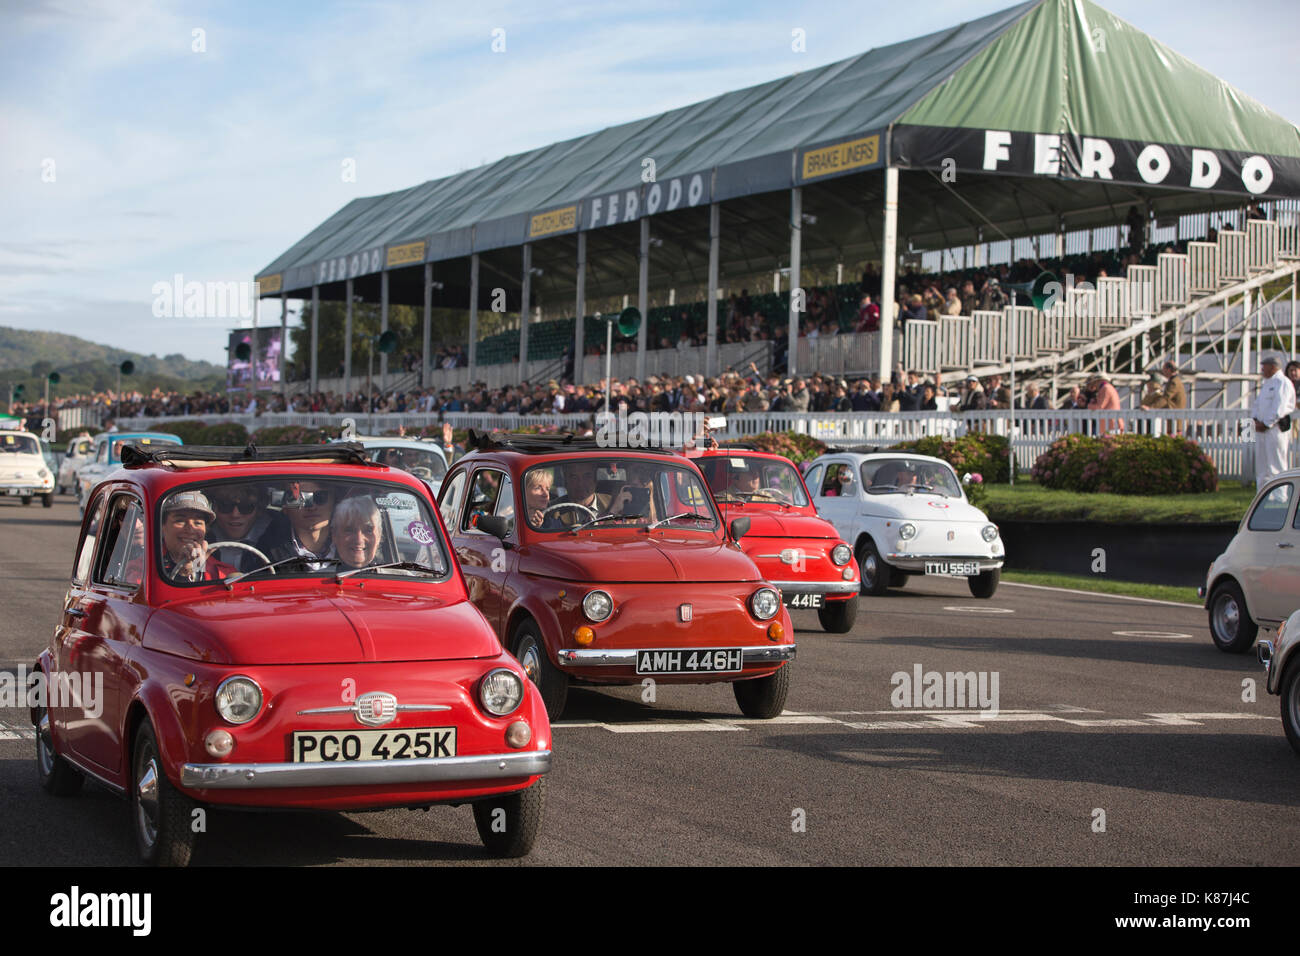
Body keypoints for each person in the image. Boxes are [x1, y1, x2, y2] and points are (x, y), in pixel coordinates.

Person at [160, 491, 237, 582]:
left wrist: (193, 567)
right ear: (162, 526)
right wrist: (183, 572)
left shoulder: (223, 574)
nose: (190, 529)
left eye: (197, 523)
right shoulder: (143, 568)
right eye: (180, 520)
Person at [207, 484, 286, 571]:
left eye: (245, 507)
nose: (235, 515)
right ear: (214, 508)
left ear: (259, 509)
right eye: (225, 506)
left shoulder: (281, 536)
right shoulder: (201, 535)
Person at [259, 479, 336, 567]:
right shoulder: (265, 553)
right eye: (300, 499)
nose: (312, 507)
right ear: (285, 506)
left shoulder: (352, 541)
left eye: (320, 497)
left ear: (334, 501)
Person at [1252, 353, 1297, 489]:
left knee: (1276, 463)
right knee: (1262, 464)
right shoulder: (1267, 384)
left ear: (1273, 367)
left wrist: (1266, 423)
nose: (1262, 370)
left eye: (1264, 367)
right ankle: (1263, 494)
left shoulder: (1283, 383)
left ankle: (1280, 495)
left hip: (1275, 429)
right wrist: (1255, 420)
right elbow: (1257, 405)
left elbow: (1280, 407)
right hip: (1262, 430)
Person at [332, 496, 383, 570]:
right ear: (334, 535)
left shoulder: (397, 577)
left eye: (368, 530)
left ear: (379, 536)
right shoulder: (317, 578)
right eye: (349, 530)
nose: (359, 540)